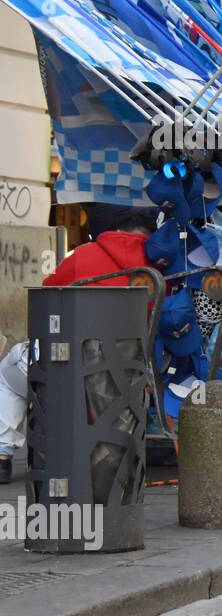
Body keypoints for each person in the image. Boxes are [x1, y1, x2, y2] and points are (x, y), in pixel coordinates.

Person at [1, 207, 159, 483]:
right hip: (129, 374)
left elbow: (48, 292)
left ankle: (3, 454)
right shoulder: (160, 264)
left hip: (69, 364)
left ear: (115, 230)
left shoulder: (84, 254)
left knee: (8, 371)